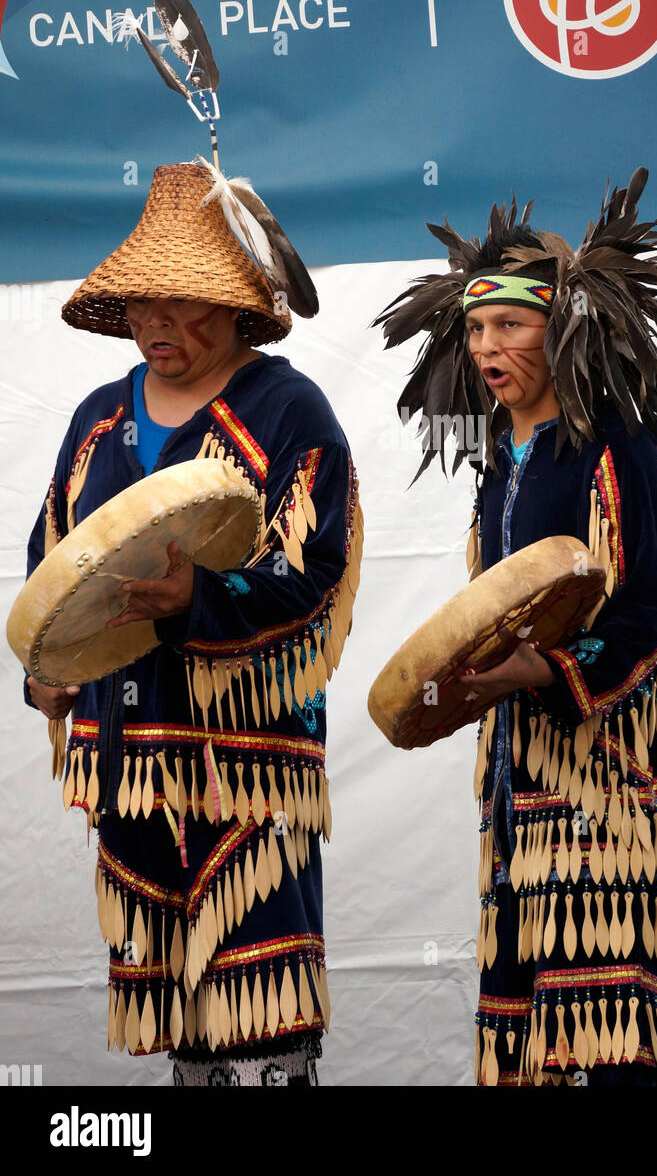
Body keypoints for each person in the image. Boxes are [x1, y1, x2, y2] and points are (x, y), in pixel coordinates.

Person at [23, 160, 361, 1085]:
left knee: (258, 1003)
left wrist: (199, 602)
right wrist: (44, 666)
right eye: (140, 305)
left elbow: (316, 578)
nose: (155, 325)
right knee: (183, 1022)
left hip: (240, 760)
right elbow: (53, 558)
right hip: (128, 753)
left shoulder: (287, 409)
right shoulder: (97, 418)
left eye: (182, 304)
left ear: (236, 307)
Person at [374, 168, 657, 1085]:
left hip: (610, 790)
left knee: (605, 1032)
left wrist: (551, 673)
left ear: (562, 329)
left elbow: (653, 608)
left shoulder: (619, 452)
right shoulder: (496, 467)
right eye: (475, 327)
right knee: (526, 1044)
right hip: (518, 792)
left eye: (509, 324)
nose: (487, 344)